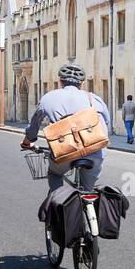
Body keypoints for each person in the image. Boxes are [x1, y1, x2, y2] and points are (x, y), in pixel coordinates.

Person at [20, 64, 111, 193]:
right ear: (82, 84)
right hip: (94, 152)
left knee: (55, 174)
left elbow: (34, 127)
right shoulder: (94, 99)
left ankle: (58, 201)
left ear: (60, 81)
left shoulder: (48, 98)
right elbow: (106, 123)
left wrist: (27, 142)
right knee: (88, 190)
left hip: (65, 152)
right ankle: (90, 207)